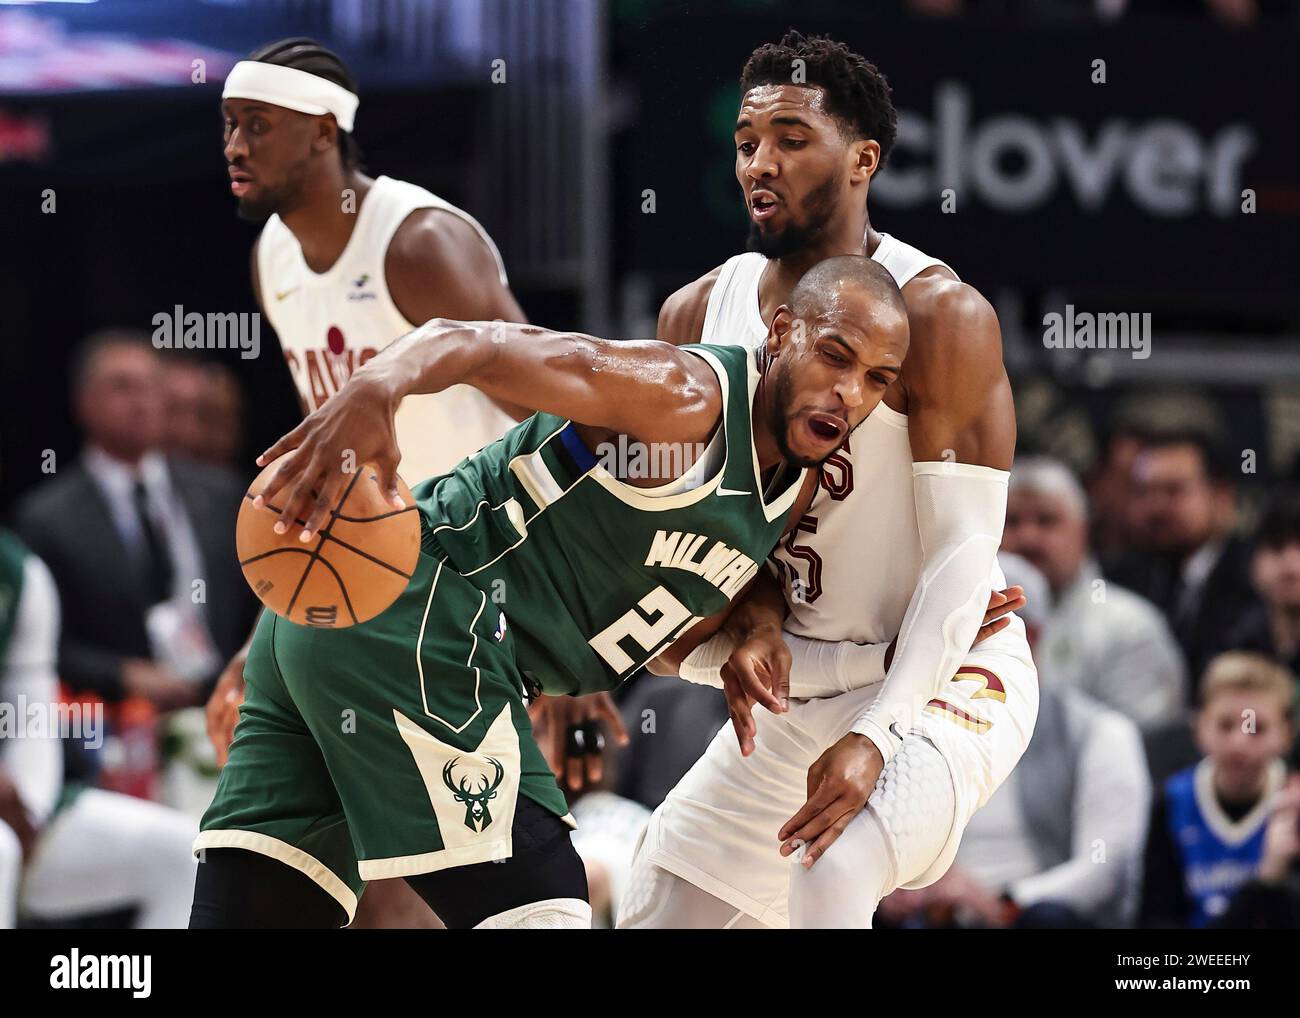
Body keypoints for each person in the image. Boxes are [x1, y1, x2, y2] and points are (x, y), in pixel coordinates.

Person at [187, 254, 912, 929]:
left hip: (329, 632)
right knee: (545, 912)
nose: (849, 392)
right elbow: (480, 342)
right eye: (835, 355)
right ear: (782, 332)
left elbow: (719, 593)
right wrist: (380, 384)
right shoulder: (678, 395)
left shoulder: (793, 480)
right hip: (422, 615)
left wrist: (758, 627)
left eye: (878, 378)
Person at [615, 30, 1037, 930]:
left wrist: (881, 729)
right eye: (745, 143)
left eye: (792, 139)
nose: (760, 163)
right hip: (797, 682)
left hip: (940, 674)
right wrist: (738, 629)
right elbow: (686, 549)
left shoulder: (937, 312)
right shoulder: (694, 313)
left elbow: (967, 558)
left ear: (864, 160)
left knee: (829, 864)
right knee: (657, 898)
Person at [212, 38, 538, 921]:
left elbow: (550, 414)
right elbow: (323, 477)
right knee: (369, 883)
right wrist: (263, 635)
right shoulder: (274, 258)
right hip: (364, 583)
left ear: (324, 132)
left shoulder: (420, 243)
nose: (233, 146)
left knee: (423, 880)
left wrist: (563, 631)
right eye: (228, 125)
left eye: (257, 126)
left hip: (469, 585)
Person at [880, 553, 1150, 929]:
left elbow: (1105, 867)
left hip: (1032, 912)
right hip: (938, 912)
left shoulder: (1101, 732)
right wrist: (894, 882)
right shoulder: (908, 720)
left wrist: (1007, 900)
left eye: (972, 630)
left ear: (1029, 636)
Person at [14, 332, 254, 718]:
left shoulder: (220, 495)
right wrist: (121, 675)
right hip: (117, 723)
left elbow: (258, 604)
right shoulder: (47, 518)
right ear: (84, 402)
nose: (141, 401)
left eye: (151, 387)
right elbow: (39, 645)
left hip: (227, 709)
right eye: (122, 387)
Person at [0, 528, 197, 929]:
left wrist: (31, 813)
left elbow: (30, 711)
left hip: (11, 808)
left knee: (187, 853)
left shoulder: (19, 570)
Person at [1002, 455, 1186, 728]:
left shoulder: (1129, 626)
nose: (1028, 537)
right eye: (1012, 521)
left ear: (1083, 530)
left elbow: (1146, 745)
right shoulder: (962, 621)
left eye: (1046, 521)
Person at [1138, 651, 1294, 928]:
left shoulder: (1292, 806)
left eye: (1256, 728)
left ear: (1286, 734)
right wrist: (1264, 881)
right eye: (1225, 725)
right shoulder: (1172, 802)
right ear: (1198, 727)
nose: (1239, 744)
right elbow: (1155, 917)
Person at [1113, 427, 1260, 690]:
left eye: (1173, 491)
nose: (1155, 507)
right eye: (1144, 492)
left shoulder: (1254, 576)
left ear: (1221, 496)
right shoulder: (1125, 576)